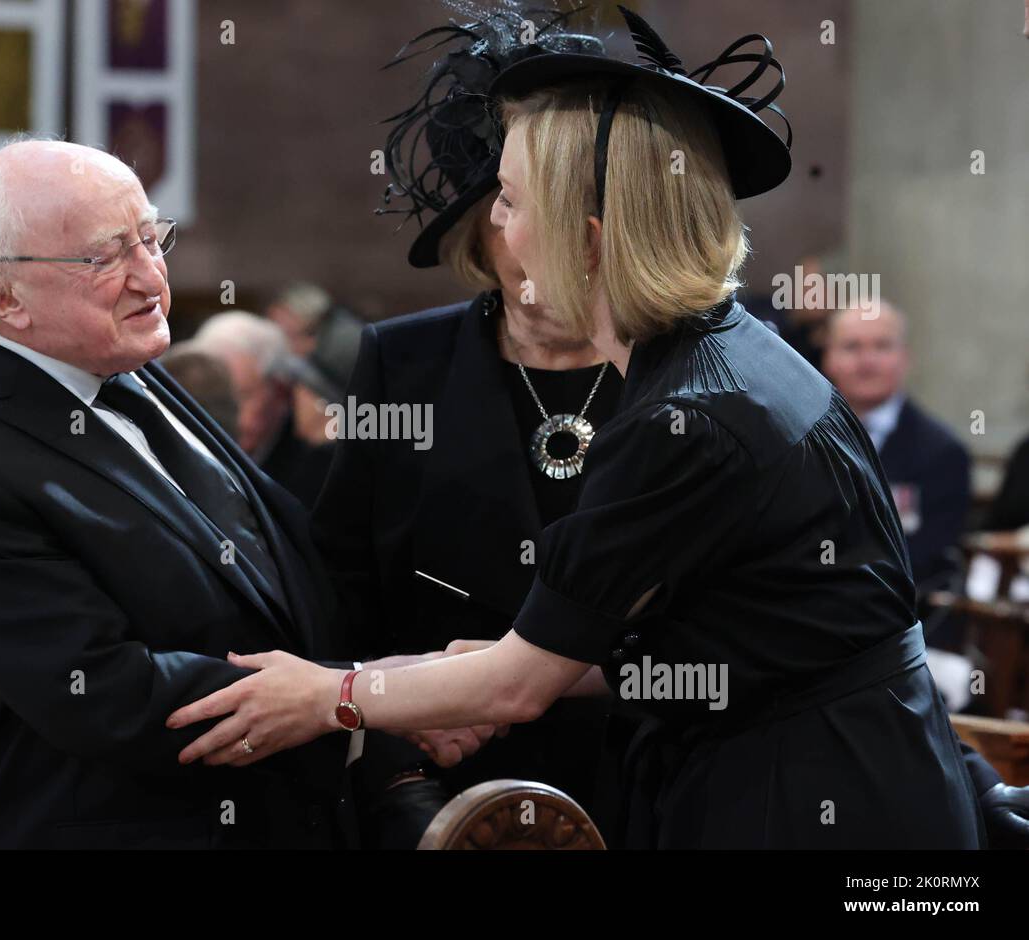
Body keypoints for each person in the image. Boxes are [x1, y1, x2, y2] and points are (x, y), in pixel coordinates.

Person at [168, 7, 990, 849]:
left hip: (814, 799)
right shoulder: (721, 354)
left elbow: (519, 687)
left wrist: (325, 697)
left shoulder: (689, 414)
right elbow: (735, 639)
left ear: (588, 240)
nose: (496, 224)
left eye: (513, 202)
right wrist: (442, 672)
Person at [0, 139, 371, 848]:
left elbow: (276, 558)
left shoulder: (124, 362)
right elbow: (112, 696)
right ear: (2, 296)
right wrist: (351, 702)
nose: (151, 276)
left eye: (152, 237)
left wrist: (399, 677)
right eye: (105, 256)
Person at [313, 7, 621, 848]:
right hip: (437, 777)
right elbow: (342, 580)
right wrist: (386, 726)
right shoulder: (402, 362)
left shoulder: (677, 370)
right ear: (488, 224)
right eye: (525, 209)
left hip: (642, 768)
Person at [822, 301, 971, 596]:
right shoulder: (799, 440)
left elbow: (926, 558)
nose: (867, 361)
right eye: (851, 347)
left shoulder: (942, 453)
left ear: (905, 358)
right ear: (828, 358)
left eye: (882, 346)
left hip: (899, 614)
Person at [190, 311, 335, 507]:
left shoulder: (320, 472)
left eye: (241, 396)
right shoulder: (188, 459)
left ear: (280, 392)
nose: (219, 414)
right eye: (212, 397)